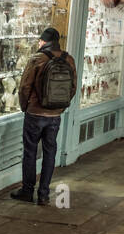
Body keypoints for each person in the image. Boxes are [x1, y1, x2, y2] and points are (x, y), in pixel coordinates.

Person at [11, 28, 76, 205]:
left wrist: (25, 107)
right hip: (55, 115)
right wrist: (60, 107)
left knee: (30, 152)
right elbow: (73, 87)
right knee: (50, 152)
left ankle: (27, 191)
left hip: (35, 113)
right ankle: (44, 194)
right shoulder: (69, 59)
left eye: (40, 40)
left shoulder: (37, 59)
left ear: (44, 41)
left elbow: (25, 87)